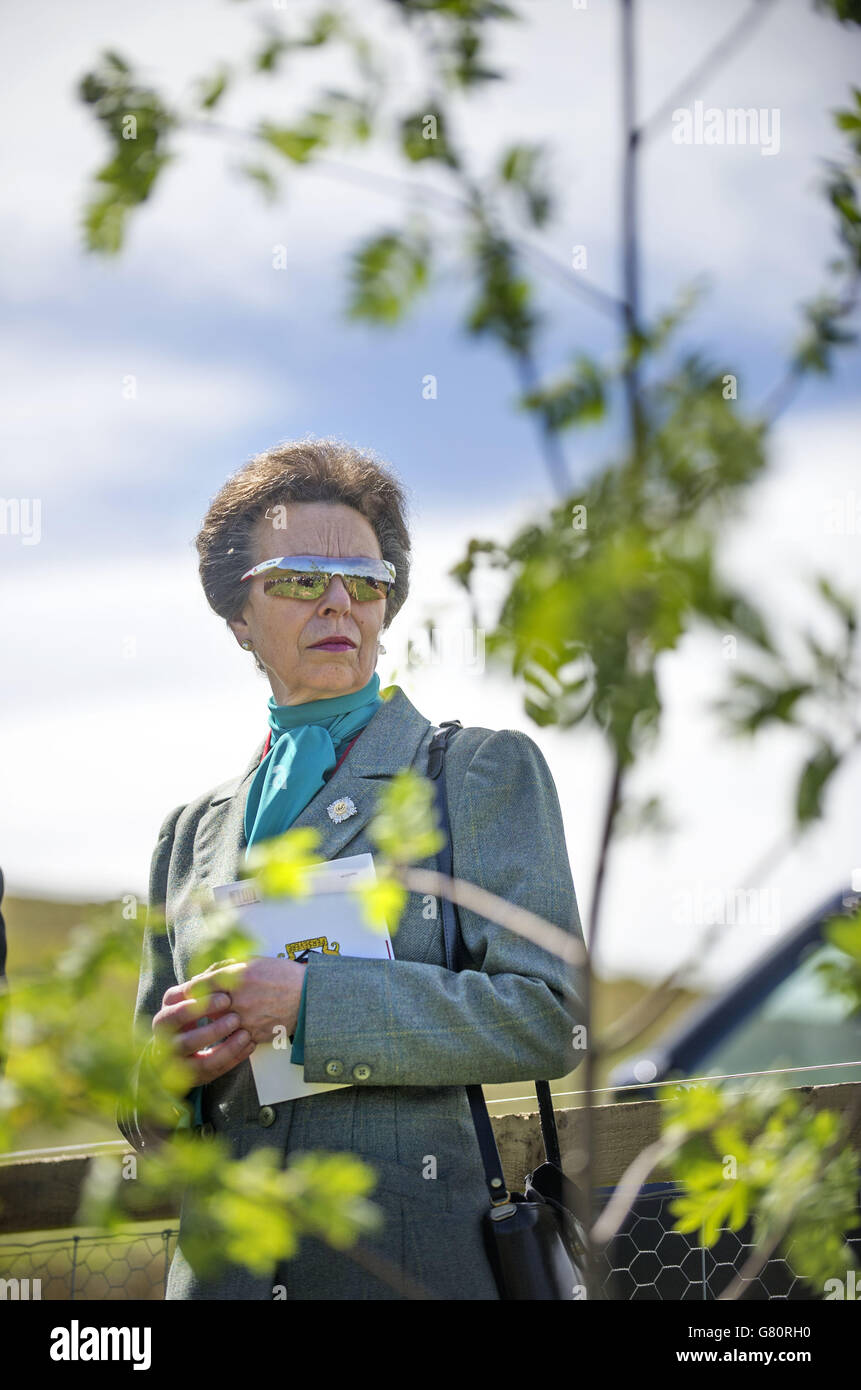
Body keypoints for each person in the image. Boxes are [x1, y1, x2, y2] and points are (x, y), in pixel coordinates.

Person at [118, 436, 587, 1300]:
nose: (339, 603)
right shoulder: (184, 835)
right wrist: (165, 1074)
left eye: (365, 582)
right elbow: (150, 1123)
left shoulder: (478, 774)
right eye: (300, 579)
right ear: (237, 615)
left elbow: (550, 1019)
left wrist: (310, 1003)